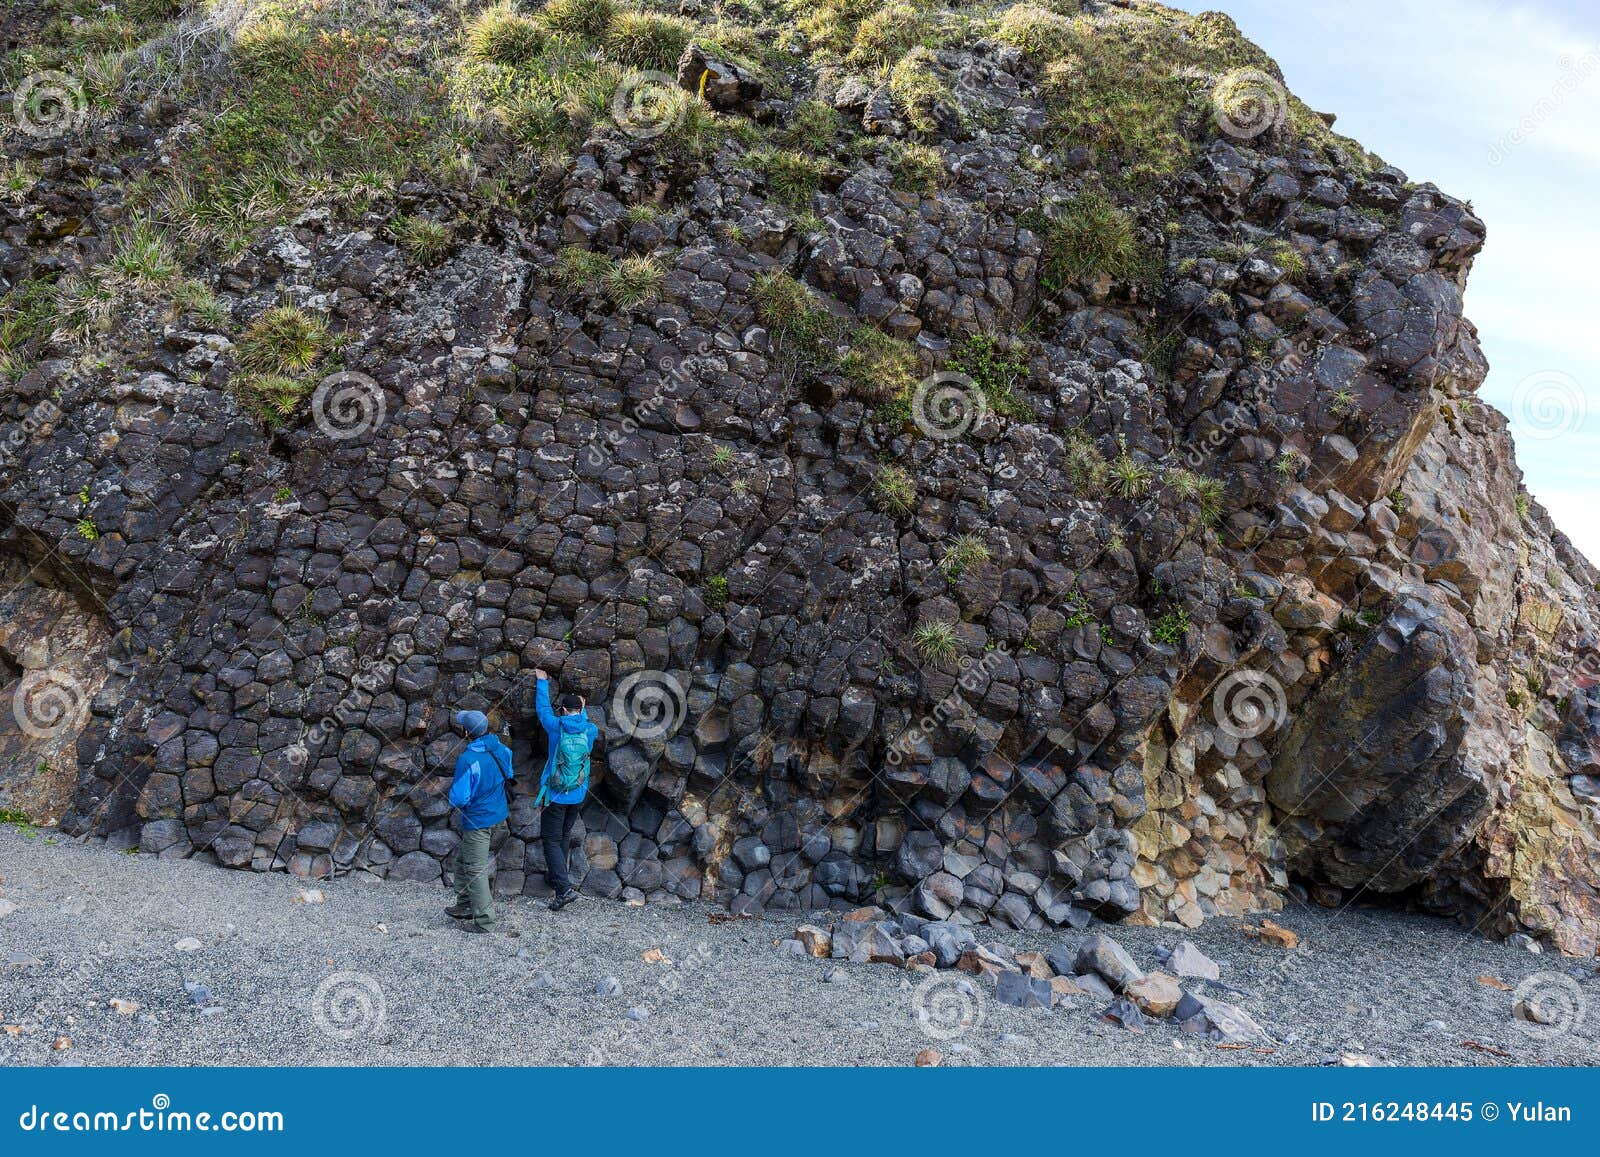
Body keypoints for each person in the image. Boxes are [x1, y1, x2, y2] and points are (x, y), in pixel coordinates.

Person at [532, 669, 598, 911]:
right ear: (580, 711)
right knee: (564, 835)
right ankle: (557, 877)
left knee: (550, 838)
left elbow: (542, 710)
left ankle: (563, 889)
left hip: (555, 794)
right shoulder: (590, 730)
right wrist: (583, 707)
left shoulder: (555, 727)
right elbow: (586, 722)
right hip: (578, 793)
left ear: (562, 710)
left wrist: (542, 683)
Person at [444, 709, 514, 933]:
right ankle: (465, 905)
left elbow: (459, 797)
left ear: (466, 732)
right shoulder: (502, 749)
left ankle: (485, 922)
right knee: (463, 860)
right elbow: (509, 774)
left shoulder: (468, 759)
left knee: (474, 868)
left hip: (478, 820)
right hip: (498, 814)